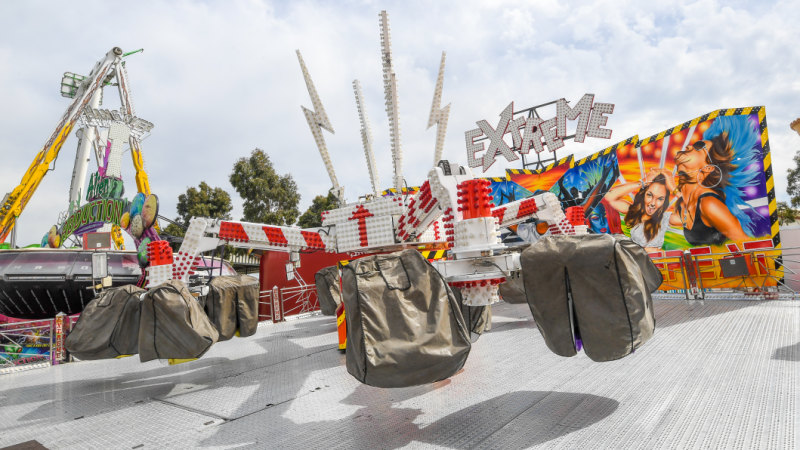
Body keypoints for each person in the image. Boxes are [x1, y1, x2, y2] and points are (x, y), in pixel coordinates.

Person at [668, 117, 759, 245]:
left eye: (699, 147)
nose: (688, 146)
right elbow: (672, 219)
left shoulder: (709, 204)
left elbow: (747, 245)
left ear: (708, 168)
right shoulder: (686, 204)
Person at [604, 169, 673, 252]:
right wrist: (643, 182)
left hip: (657, 262)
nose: (652, 203)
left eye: (660, 199)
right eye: (649, 195)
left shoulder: (665, 218)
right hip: (637, 262)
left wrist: (674, 188)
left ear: (664, 202)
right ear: (643, 194)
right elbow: (609, 197)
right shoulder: (635, 212)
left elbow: (691, 218)